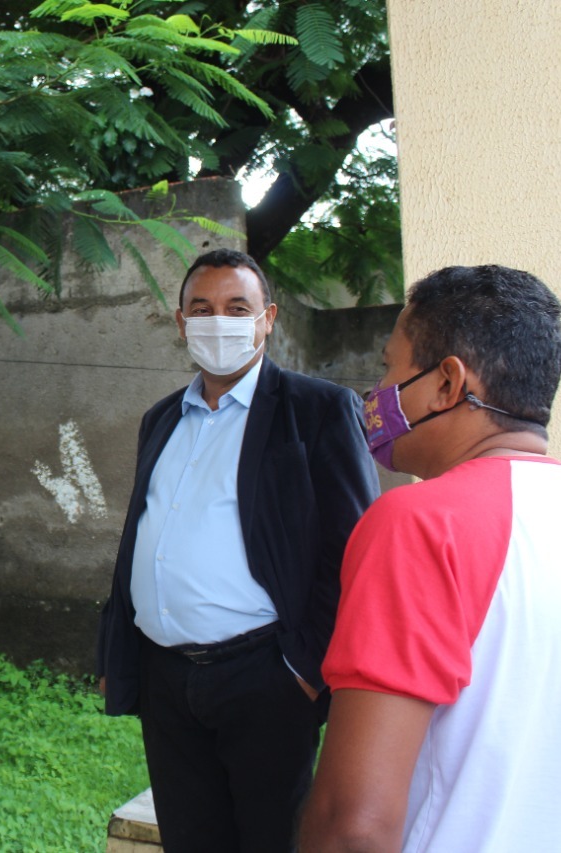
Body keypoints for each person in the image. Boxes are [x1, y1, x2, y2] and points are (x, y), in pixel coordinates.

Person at [300, 265, 561, 852]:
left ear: (447, 383)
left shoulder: (420, 523)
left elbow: (354, 825)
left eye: (390, 367)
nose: (377, 395)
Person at [97, 248, 380, 851]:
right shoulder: (161, 419)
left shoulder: (318, 410)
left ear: (267, 318)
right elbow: (144, 534)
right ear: (181, 323)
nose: (218, 321)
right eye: (201, 309)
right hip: (166, 679)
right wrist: (118, 649)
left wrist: (304, 669)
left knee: (271, 838)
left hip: (265, 680)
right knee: (190, 837)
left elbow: (353, 549)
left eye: (237, 307)